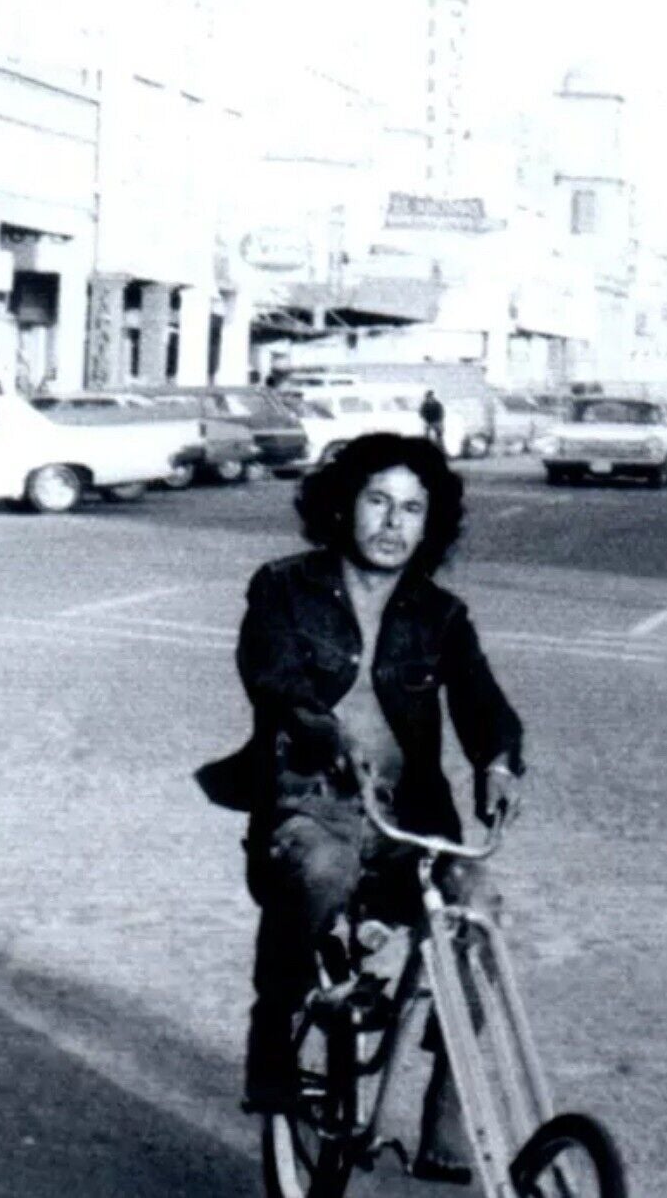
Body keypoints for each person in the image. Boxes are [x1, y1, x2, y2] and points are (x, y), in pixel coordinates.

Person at [199, 432, 524, 1182]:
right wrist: (324, 731)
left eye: (413, 508)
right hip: (311, 803)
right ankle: (273, 1027)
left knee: (477, 908)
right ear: (343, 506)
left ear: (429, 524)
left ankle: (450, 1113)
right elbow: (275, 678)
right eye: (378, 500)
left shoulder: (441, 615)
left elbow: (484, 706)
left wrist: (499, 763)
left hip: (410, 822)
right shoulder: (283, 587)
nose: (393, 522)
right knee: (319, 865)